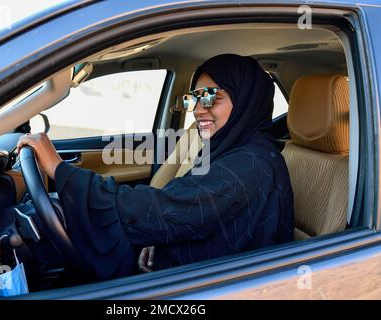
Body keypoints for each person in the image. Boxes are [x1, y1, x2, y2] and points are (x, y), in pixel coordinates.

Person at [16, 54, 294, 280]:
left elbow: (167, 206)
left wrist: (60, 169)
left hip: (209, 285)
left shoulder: (250, 165)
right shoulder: (231, 150)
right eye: (193, 98)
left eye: (210, 96)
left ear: (245, 99)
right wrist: (158, 238)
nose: (198, 109)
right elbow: (186, 206)